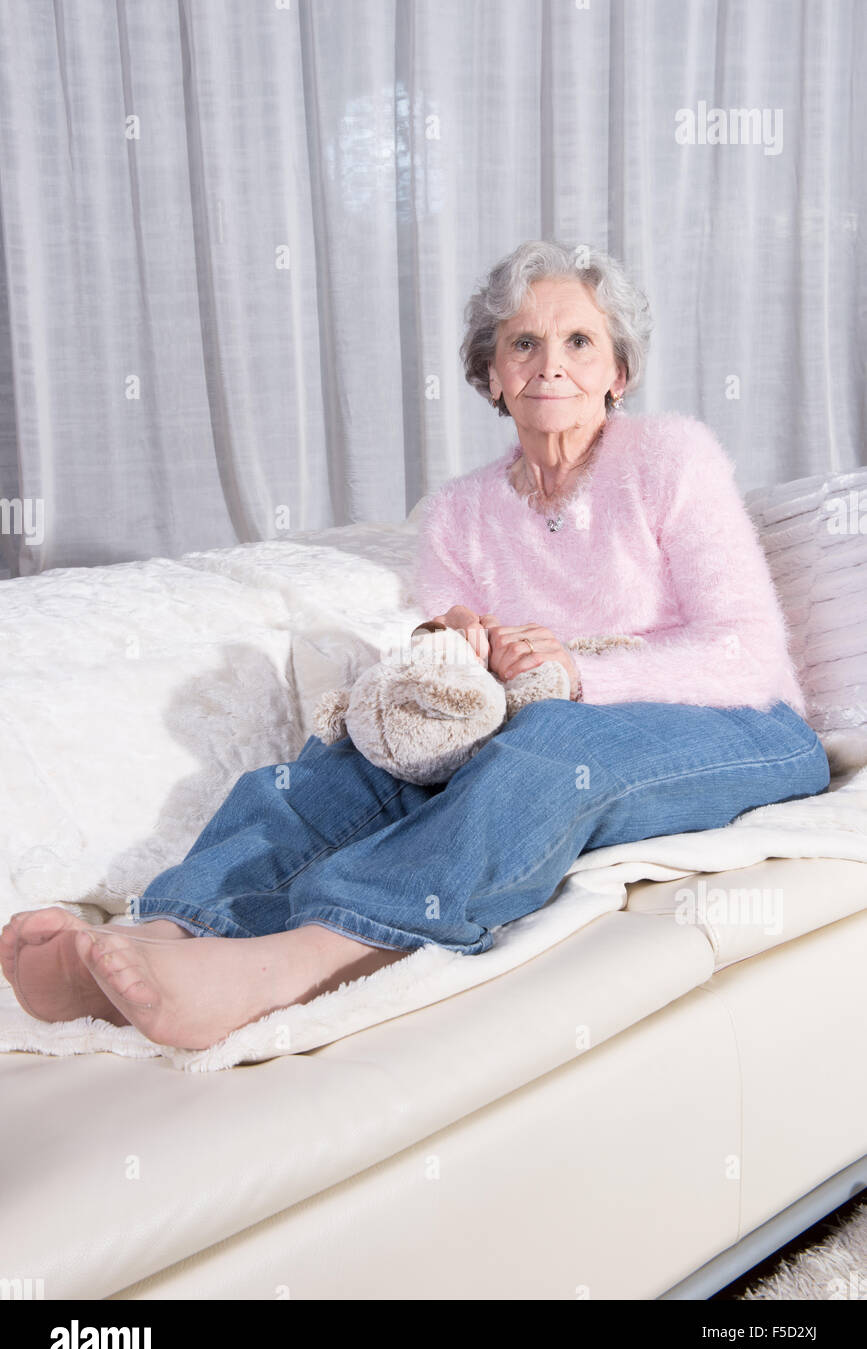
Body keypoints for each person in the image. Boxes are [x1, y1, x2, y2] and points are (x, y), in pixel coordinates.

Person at [0, 239, 830, 1050]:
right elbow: (451, 677)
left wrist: (576, 672)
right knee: (345, 757)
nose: (550, 363)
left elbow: (749, 652)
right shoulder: (460, 513)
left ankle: (298, 962)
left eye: (579, 340)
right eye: (523, 342)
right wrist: (450, 649)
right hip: (540, 719)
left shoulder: (670, 458)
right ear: (492, 375)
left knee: (548, 742)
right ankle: (173, 929)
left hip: (736, 723)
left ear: (618, 373)